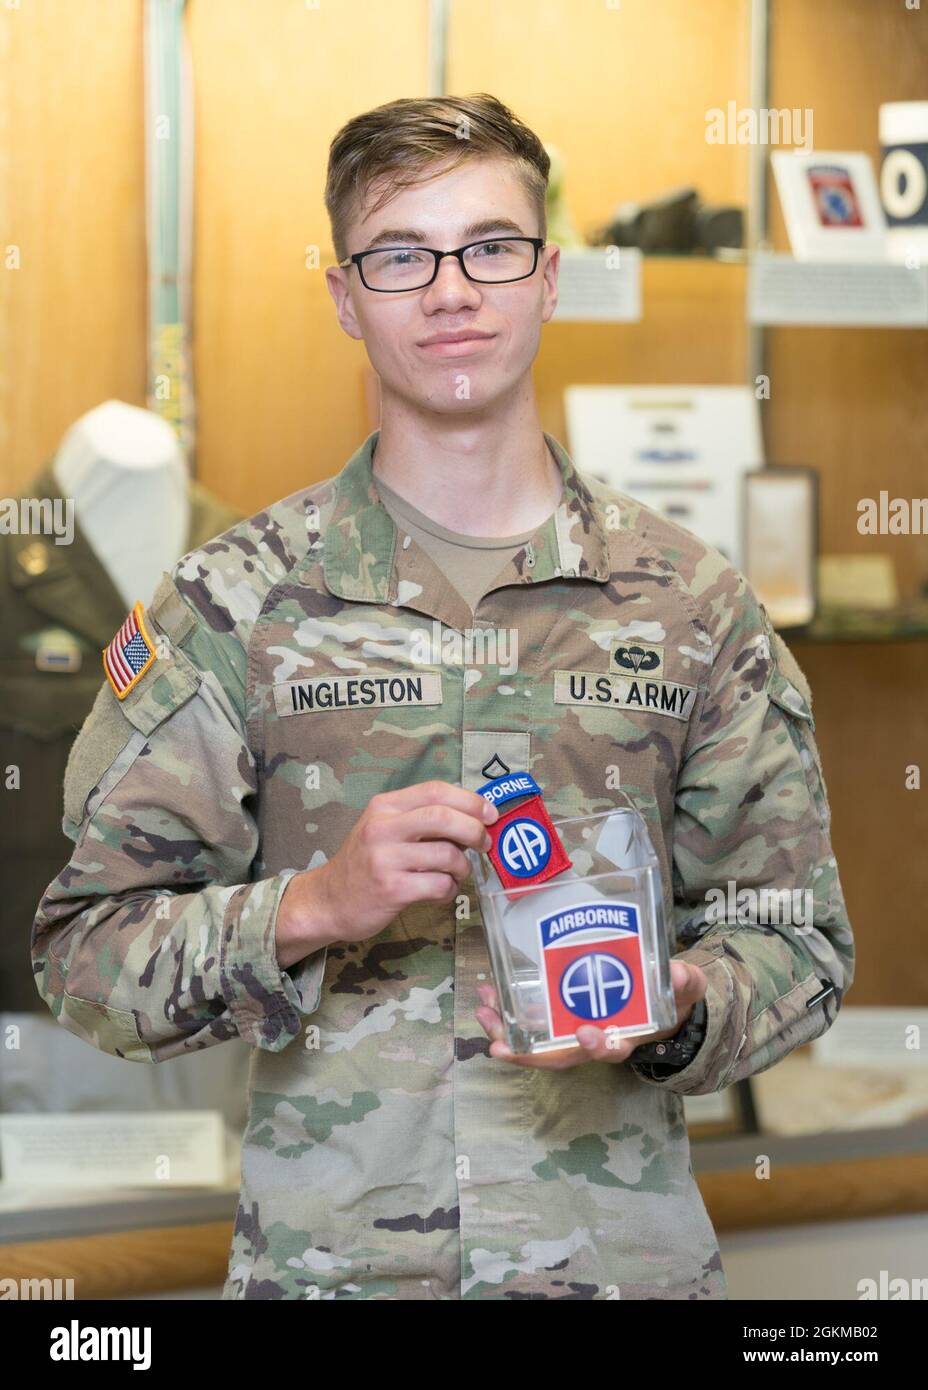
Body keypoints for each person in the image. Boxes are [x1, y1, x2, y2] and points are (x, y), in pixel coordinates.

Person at [32, 93, 854, 1300]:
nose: (452, 290)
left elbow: (799, 942)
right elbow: (83, 957)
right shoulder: (236, 606)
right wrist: (313, 904)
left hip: (617, 1274)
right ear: (344, 296)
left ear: (548, 277)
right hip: (335, 1275)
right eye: (401, 255)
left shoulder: (691, 607)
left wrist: (679, 1002)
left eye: (491, 247)